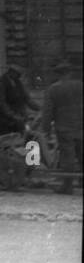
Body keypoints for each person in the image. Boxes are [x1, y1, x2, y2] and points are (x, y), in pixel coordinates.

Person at [40, 59, 82, 193]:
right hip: (81, 127)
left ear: (58, 74)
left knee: (67, 157)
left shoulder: (53, 89)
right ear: (70, 73)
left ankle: (68, 186)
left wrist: (45, 130)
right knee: (82, 155)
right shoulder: (81, 86)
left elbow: (48, 112)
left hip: (64, 128)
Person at [0, 63, 31, 135]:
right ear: (11, 72)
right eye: (18, 74)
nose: (20, 76)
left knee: (20, 136)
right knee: (7, 138)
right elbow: (1, 103)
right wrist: (13, 116)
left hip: (16, 116)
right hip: (4, 118)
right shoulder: (0, 82)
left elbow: (26, 98)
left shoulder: (17, 82)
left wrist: (40, 108)